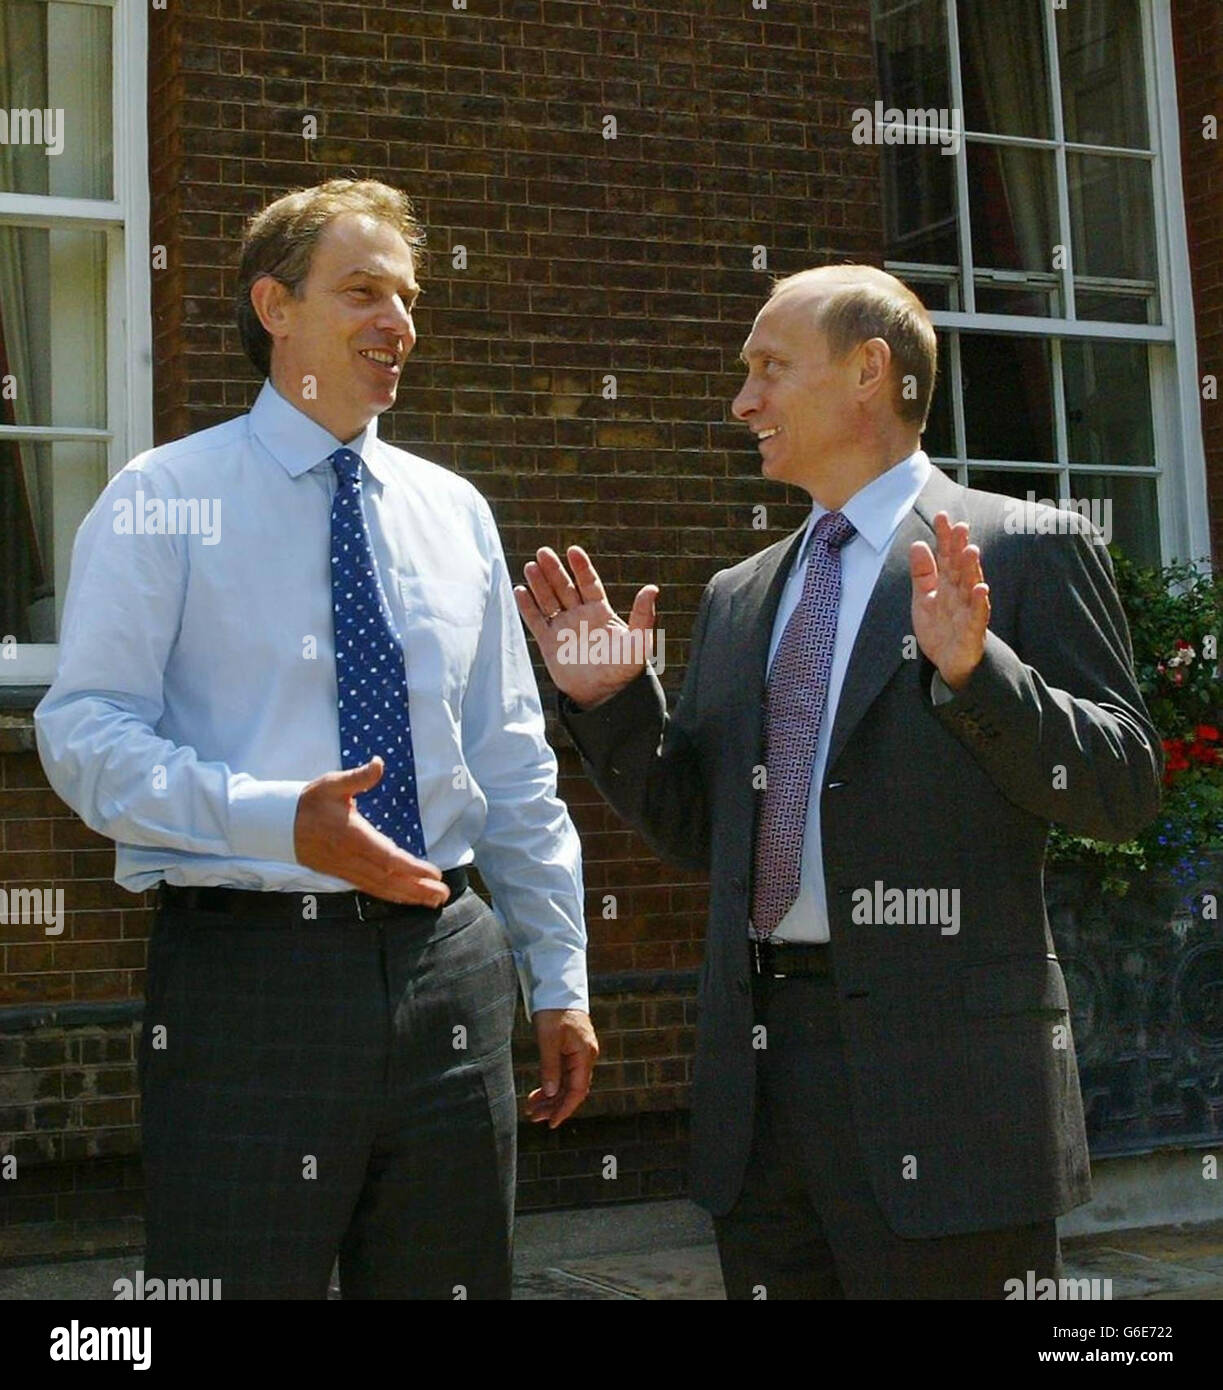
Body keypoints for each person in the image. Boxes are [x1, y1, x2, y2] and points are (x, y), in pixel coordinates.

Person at [515, 264, 1162, 1299]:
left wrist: (975, 671)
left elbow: (1121, 787)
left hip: (947, 1099)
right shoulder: (739, 594)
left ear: (869, 372)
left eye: (767, 369)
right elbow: (704, 829)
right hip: (761, 1093)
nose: (741, 403)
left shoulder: (1025, 545)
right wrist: (610, 704)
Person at [35, 178, 597, 1300]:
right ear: (273, 307)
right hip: (248, 981)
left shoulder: (454, 511)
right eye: (361, 291)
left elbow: (510, 760)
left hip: (451, 967)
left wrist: (557, 973)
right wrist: (275, 820)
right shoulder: (163, 498)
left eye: (407, 296)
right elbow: (84, 731)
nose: (397, 321)